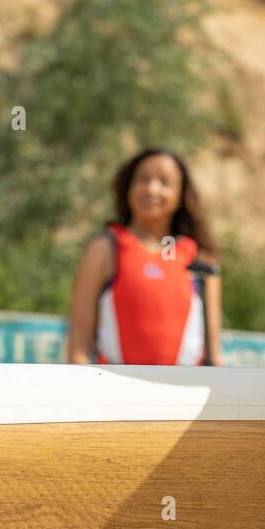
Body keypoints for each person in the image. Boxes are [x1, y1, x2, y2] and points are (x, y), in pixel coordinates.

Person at [66, 148, 222, 366]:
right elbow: (79, 340)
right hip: (114, 393)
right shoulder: (104, 249)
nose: (151, 189)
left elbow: (213, 350)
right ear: (129, 187)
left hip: (183, 395)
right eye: (143, 179)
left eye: (165, 182)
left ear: (180, 196)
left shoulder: (200, 260)